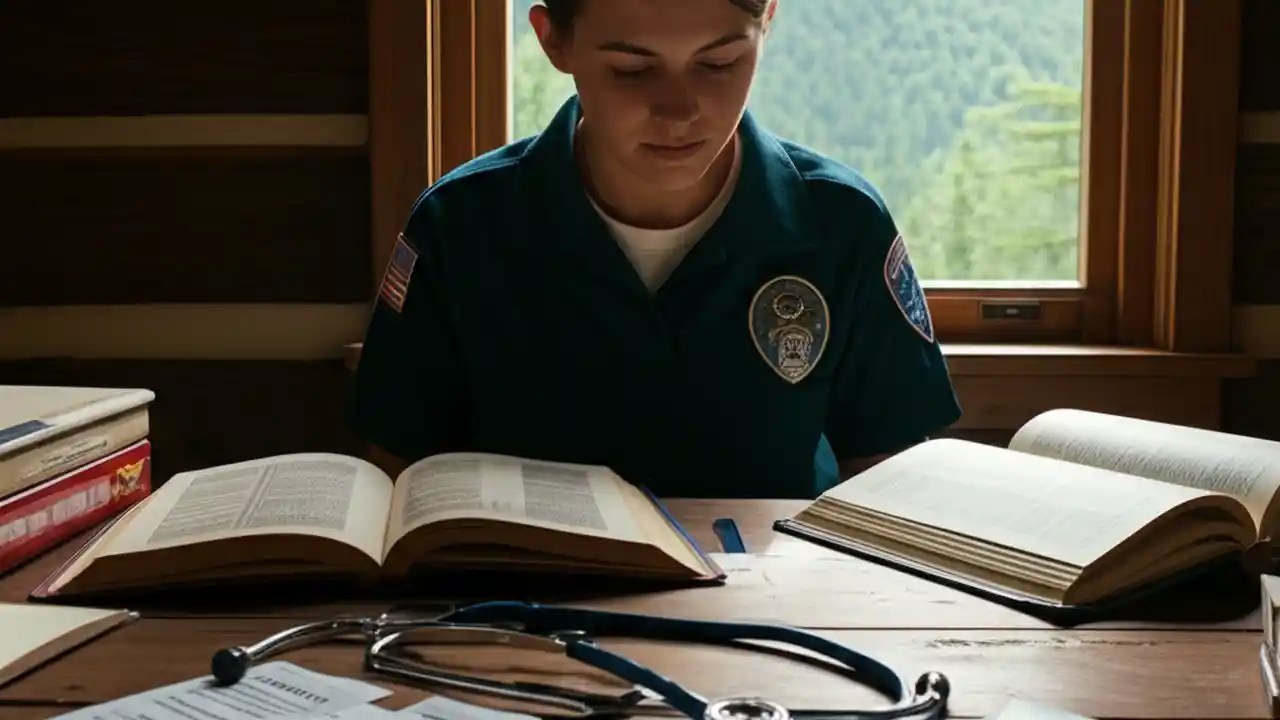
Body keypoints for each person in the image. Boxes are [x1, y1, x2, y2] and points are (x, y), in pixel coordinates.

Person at [346, 0, 961, 499]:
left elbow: (890, 483)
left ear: (767, 18)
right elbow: (397, 474)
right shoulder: (461, 226)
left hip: (776, 626)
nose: (679, 111)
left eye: (718, 63)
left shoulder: (840, 223)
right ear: (552, 40)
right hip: (522, 621)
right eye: (632, 70)